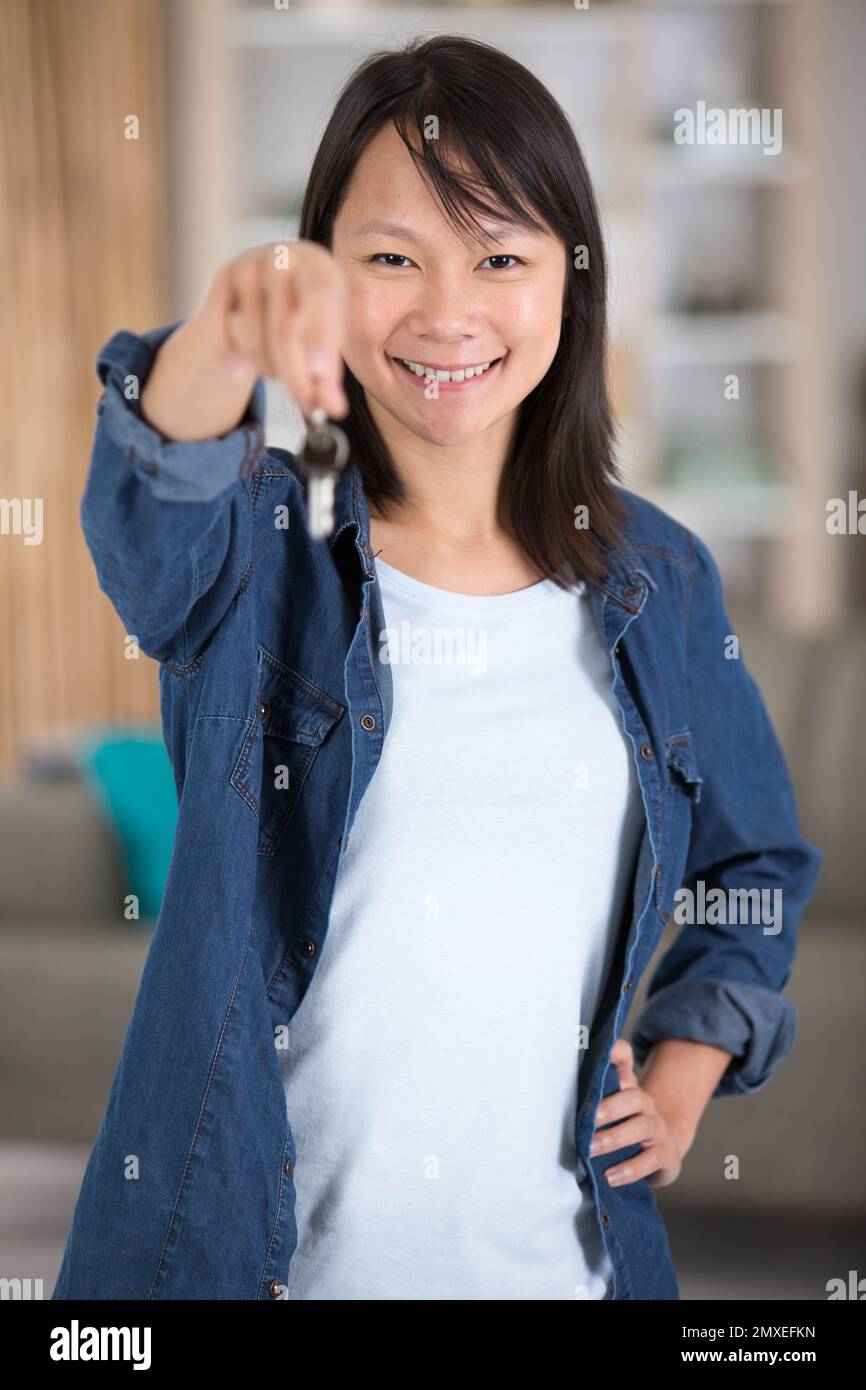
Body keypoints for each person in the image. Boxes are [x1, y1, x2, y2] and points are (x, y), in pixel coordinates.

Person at [53, 34, 821, 1301]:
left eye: (501, 258)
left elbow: (758, 866)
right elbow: (149, 509)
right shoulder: (256, 551)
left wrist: (686, 1067)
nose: (447, 312)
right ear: (321, 275)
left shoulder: (661, 580)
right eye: (390, 258)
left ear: (569, 284)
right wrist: (225, 329)